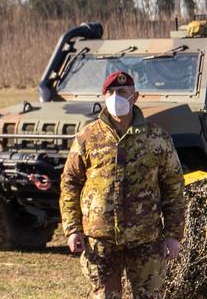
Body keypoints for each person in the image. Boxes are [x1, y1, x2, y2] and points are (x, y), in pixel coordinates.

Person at [59, 69, 186, 299]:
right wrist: (73, 229)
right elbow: (70, 183)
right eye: (111, 92)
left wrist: (174, 234)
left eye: (122, 92)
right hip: (100, 241)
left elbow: (173, 186)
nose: (116, 97)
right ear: (104, 97)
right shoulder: (88, 137)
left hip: (146, 240)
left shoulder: (156, 138)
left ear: (134, 97)